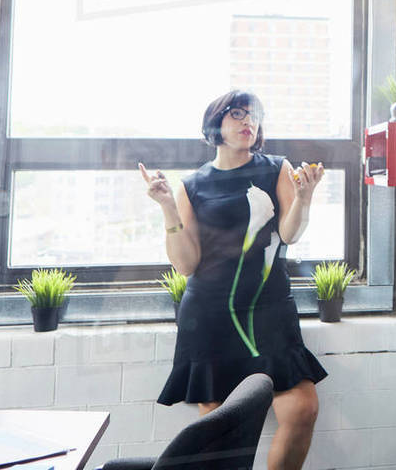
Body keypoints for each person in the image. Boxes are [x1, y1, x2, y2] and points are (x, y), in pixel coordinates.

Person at [140, 90, 327, 470]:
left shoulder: (275, 168)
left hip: (268, 309)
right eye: (238, 114)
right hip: (211, 313)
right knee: (220, 427)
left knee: (302, 408)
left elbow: (289, 234)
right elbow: (186, 264)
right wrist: (168, 207)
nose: (249, 122)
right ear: (216, 123)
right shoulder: (192, 184)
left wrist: (304, 199)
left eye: (254, 116)